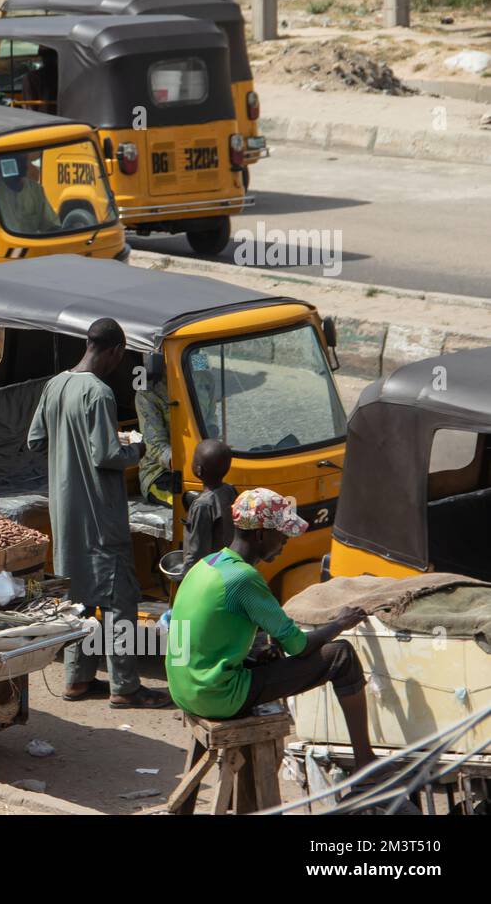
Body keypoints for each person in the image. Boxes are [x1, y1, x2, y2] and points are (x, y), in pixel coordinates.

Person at [167, 488, 379, 771]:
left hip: (183, 688)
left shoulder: (208, 564)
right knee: (341, 657)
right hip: (216, 697)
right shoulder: (244, 579)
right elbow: (299, 646)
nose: (285, 543)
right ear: (260, 534)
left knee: (269, 652)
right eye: (282, 535)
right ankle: (366, 764)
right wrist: (339, 622)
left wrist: (253, 657)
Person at [27, 318, 172, 709]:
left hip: (66, 516)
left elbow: (36, 440)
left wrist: (66, 451)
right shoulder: (100, 394)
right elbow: (106, 455)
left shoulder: (55, 384)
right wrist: (137, 449)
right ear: (114, 351)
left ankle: (76, 680)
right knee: (119, 601)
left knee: (78, 602)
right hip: (100, 517)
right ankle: (124, 686)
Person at [181, 439, 237, 571]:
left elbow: (197, 551)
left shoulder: (202, 505)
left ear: (198, 469)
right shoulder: (230, 490)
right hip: (227, 563)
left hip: (209, 570)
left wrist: (186, 575)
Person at [0, 153, 63, 234]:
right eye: (17, 160)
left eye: (24, 159)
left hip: (29, 244)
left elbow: (50, 225)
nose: (23, 164)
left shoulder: (35, 190)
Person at [134, 373, 172, 506]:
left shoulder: (204, 380)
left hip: (205, 468)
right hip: (160, 473)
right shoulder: (147, 392)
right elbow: (156, 446)